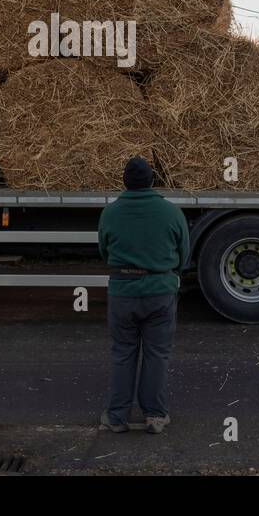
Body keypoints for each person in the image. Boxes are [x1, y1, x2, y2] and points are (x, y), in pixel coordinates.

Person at [97, 155, 190, 434]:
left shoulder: (110, 213)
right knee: (157, 354)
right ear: (152, 180)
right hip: (159, 292)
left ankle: (117, 417)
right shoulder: (171, 212)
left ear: (124, 182)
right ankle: (156, 416)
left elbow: (104, 251)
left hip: (123, 293)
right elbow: (183, 254)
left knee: (123, 353)